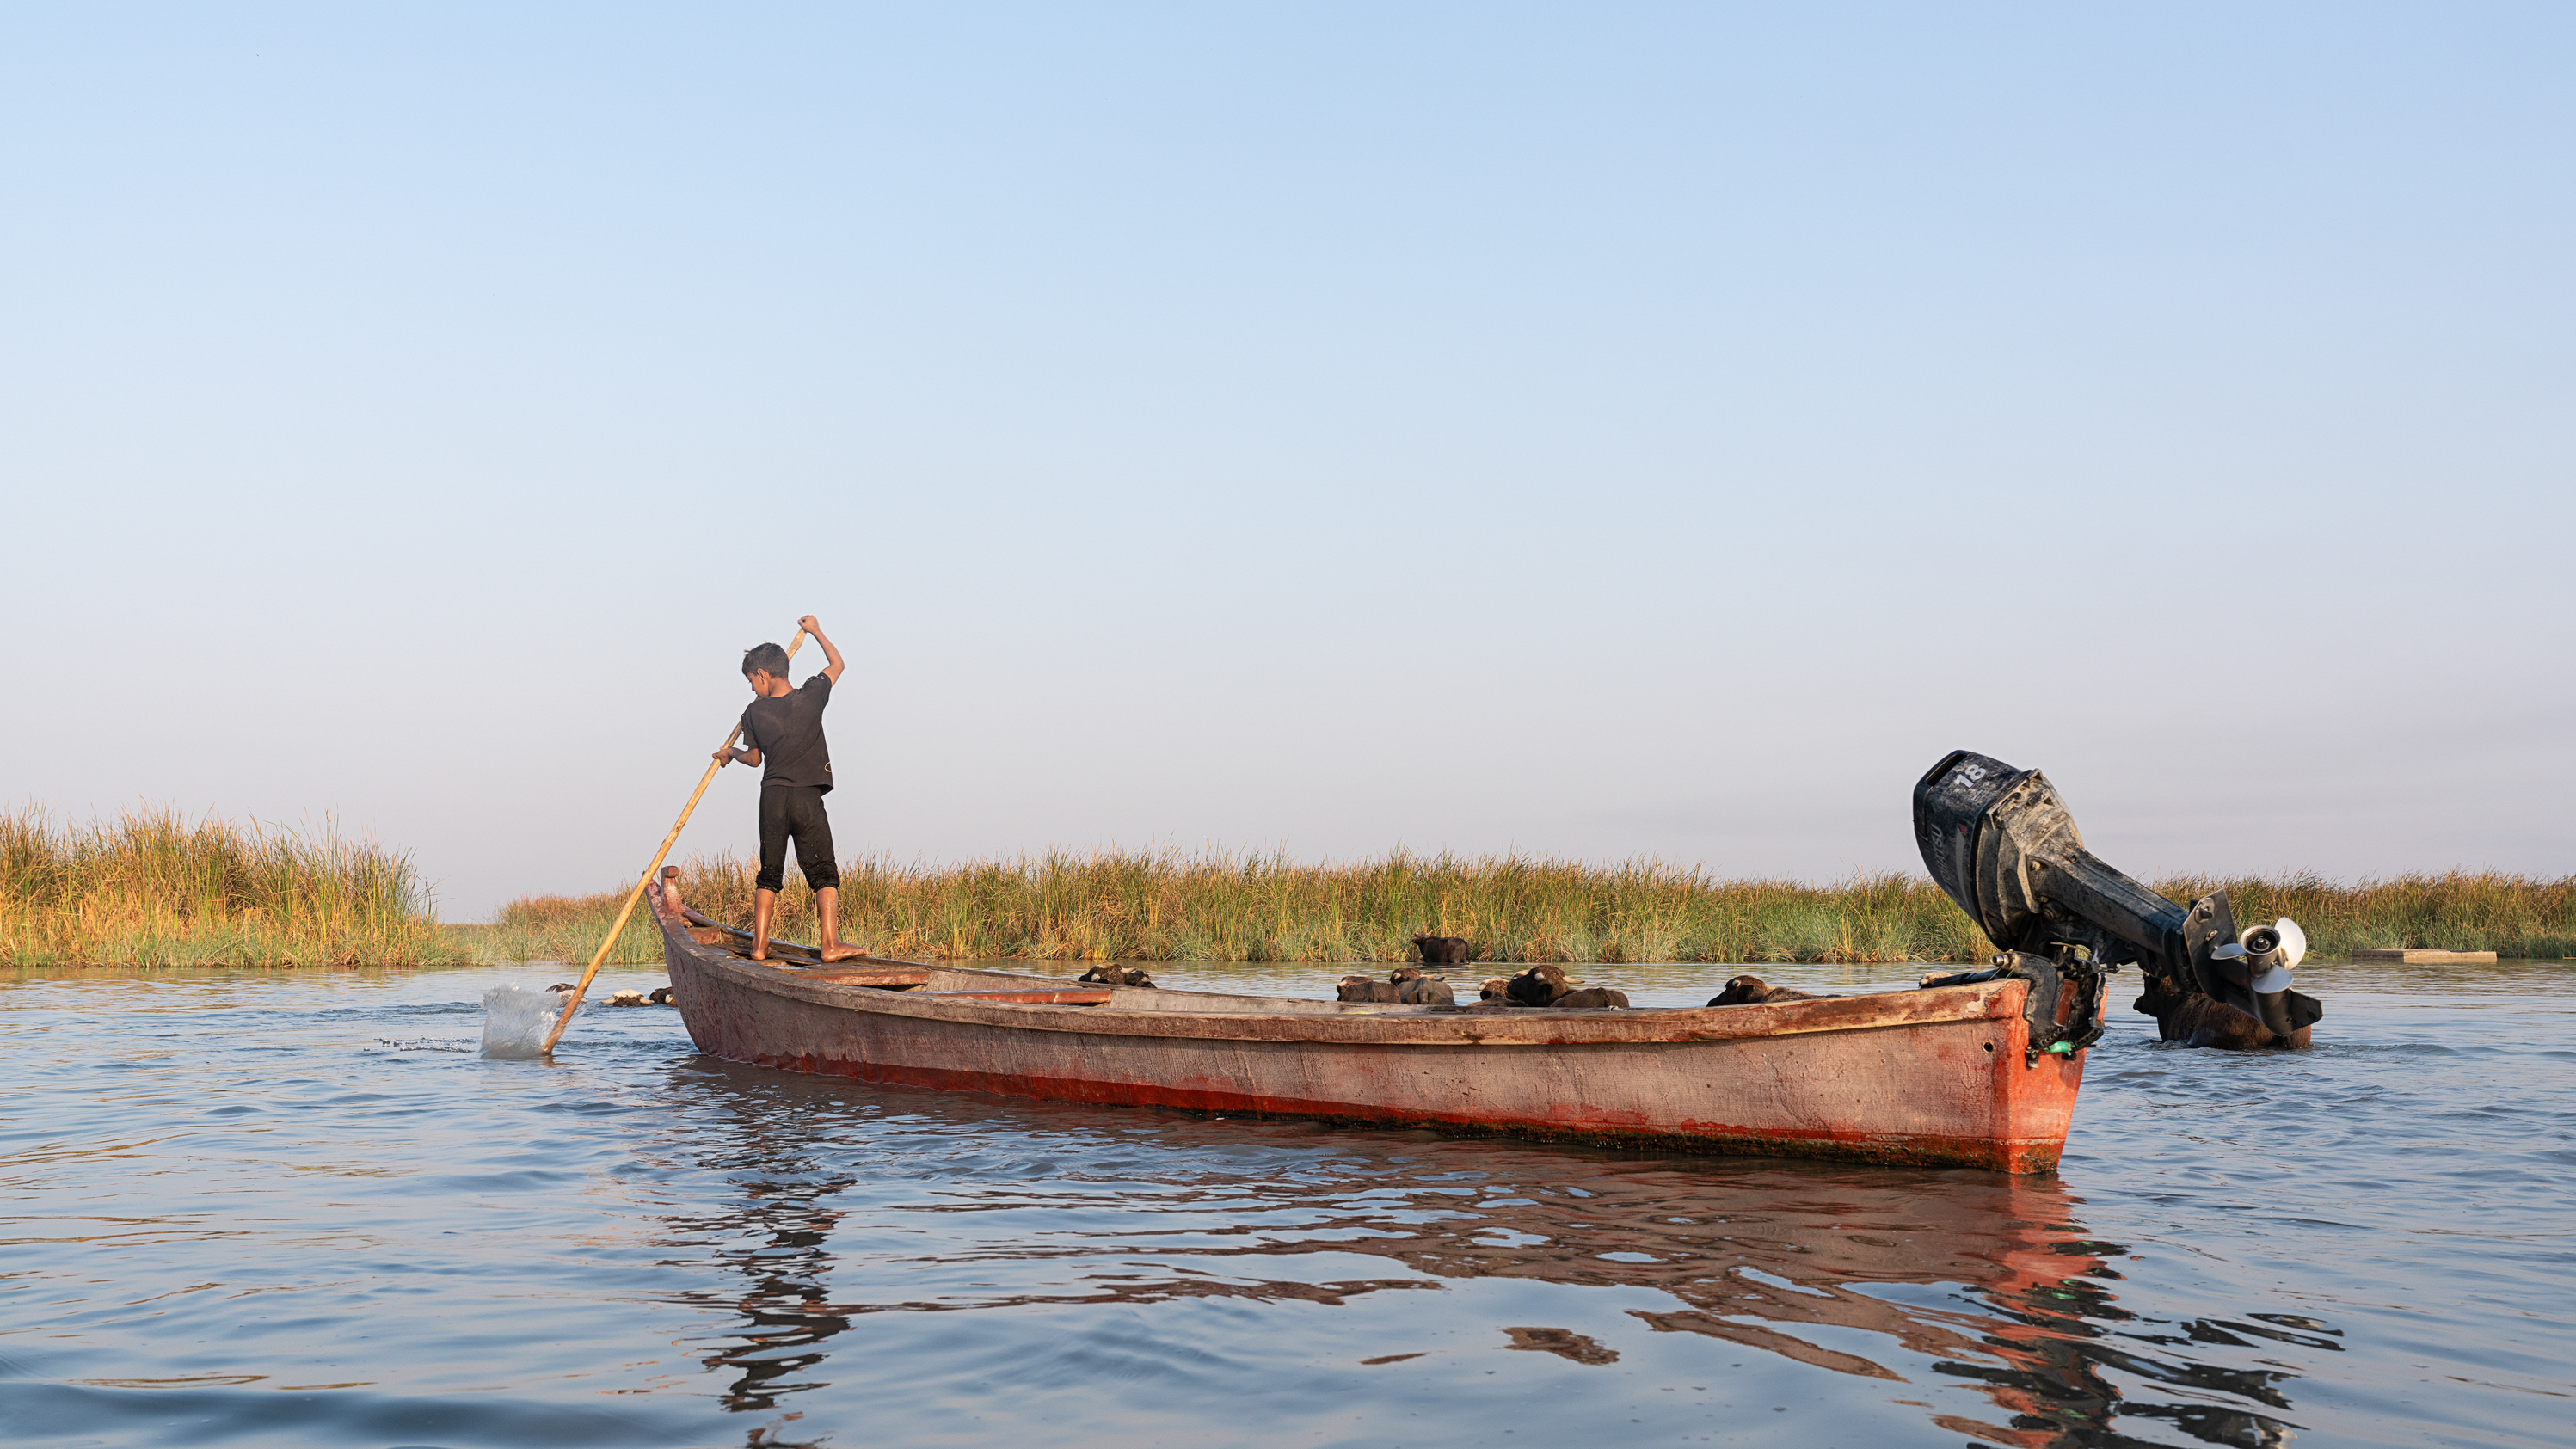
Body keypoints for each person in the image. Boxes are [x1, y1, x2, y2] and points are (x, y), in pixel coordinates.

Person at [714, 615, 863, 962]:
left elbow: (753, 760)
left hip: (773, 798)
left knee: (770, 872)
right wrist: (815, 631)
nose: (752, 687)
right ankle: (830, 945)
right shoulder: (811, 695)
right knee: (823, 871)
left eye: (752, 680)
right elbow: (837, 663)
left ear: (763, 675)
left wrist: (730, 754)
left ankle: (759, 945)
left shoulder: (752, 712)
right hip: (806, 796)